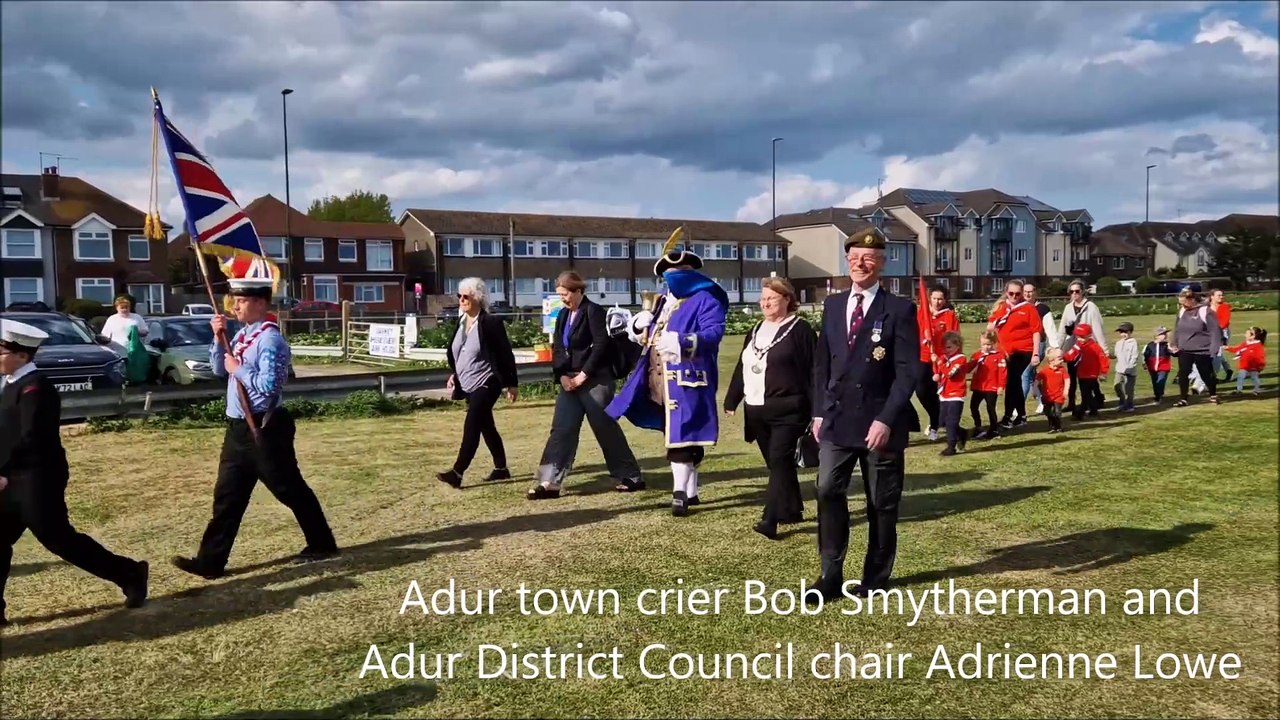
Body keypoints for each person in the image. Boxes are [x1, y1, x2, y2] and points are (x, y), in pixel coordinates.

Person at [171, 267, 339, 580]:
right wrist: (217, 340)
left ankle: (322, 541)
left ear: (261, 303)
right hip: (237, 430)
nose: (234, 306)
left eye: (241, 300)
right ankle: (210, 562)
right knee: (227, 495)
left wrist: (239, 369)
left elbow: (269, 386)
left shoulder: (271, 340)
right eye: (234, 300)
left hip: (264, 427)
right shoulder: (241, 335)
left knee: (289, 489)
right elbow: (220, 371)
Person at [1, 319, 148, 624]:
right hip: (11, 476)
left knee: (58, 539)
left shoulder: (36, 388)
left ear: (22, 355)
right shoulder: (11, 384)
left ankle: (130, 573)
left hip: (35, 478)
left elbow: (29, 437)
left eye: (0, 350)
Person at [808, 226, 920, 602]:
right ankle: (829, 574)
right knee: (826, 490)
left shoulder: (900, 309)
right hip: (837, 420)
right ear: (847, 261)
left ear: (882, 263)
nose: (861, 263)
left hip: (879, 423)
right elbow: (822, 363)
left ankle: (875, 577)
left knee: (881, 503)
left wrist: (886, 418)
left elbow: (908, 372)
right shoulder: (834, 304)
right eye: (854, 257)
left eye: (868, 258)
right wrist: (819, 412)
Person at [607, 237, 729, 517]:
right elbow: (647, 340)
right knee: (679, 435)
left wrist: (683, 342)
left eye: (679, 271)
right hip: (656, 383)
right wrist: (639, 327)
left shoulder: (705, 299)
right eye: (668, 274)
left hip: (689, 380)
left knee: (682, 439)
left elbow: (713, 334)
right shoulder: (662, 302)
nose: (673, 277)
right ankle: (692, 491)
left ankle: (679, 495)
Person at [530, 271, 642, 498]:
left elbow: (601, 346)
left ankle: (630, 475)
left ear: (578, 291)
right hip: (569, 382)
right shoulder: (562, 315)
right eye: (560, 294)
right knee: (562, 429)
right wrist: (561, 375)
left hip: (595, 381)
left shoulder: (593, 311)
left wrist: (583, 375)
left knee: (604, 427)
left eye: (566, 294)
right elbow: (559, 349)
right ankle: (548, 481)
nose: (563, 299)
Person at [724, 277, 816, 539]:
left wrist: (818, 409)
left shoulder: (800, 330)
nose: (765, 303)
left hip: (790, 409)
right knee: (779, 465)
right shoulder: (755, 330)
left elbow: (814, 372)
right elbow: (744, 367)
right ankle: (792, 508)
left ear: (787, 300)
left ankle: (770, 518)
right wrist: (732, 399)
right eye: (762, 299)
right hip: (757, 409)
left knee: (779, 460)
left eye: (771, 299)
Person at [438, 278, 519, 489]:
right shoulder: (461, 321)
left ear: (477, 298)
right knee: (486, 425)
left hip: (487, 381)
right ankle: (501, 468)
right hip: (467, 384)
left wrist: (512, 384)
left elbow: (505, 355)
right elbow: (458, 353)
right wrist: (454, 374)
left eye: (466, 296)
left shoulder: (490, 323)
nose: (461, 300)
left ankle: (457, 472)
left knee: (472, 423)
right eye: (459, 296)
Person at [986, 279, 1041, 428]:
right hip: (1005, 351)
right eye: (1011, 293)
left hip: (1024, 350)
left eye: (1018, 294)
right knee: (1014, 382)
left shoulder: (1028, 308)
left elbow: (1036, 332)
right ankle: (1021, 415)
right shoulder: (1002, 307)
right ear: (1006, 293)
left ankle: (1008, 416)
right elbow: (990, 327)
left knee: (1012, 380)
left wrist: (1036, 353)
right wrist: (997, 319)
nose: (1014, 296)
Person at [915, 286, 958, 441]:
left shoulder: (949, 316)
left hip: (940, 360)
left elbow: (954, 337)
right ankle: (937, 417)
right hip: (922, 357)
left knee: (937, 393)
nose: (937, 302)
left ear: (945, 300)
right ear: (929, 298)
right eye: (934, 298)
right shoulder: (921, 314)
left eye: (940, 299)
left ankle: (934, 425)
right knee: (920, 390)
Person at [1058, 280, 1106, 413]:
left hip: (1087, 348)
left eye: (1077, 291)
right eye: (1071, 291)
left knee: (1089, 377)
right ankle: (1072, 403)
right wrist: (1057, 347)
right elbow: (1062, 329)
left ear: (1082, 292)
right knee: (1072, 377)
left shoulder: (1091, 307)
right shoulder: (1068, 308)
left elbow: (1098, 329)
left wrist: (1103, 349)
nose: (1074, 294)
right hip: (1073, 347)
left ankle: (1097, 399)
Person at [1171, 287, 1222, 407]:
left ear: (1192, 299)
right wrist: (1174, 343)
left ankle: (1213, 394)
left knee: (1205, 374)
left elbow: (1215, 331)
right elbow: (1177, 329)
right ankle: (1183, 398)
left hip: (1202, 349)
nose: (1182, 305)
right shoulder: (1182, 311)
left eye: (1184, 302)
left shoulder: (1205, 311)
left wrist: (1214, 348)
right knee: (1183, 373)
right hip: (1184, 349)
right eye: (1181, 303)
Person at [1021, 283, 1059, 414]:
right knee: (1031, 376)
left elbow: (1050, 328)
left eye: (1030, 291)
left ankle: (1018, 408)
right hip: (1023, 346)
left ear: (1035, 292)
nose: (1027, 294)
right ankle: (1043, 401)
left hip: (1038, 346)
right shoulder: (1019, 307)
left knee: (1024, 373)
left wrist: (1055, 348)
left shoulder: (1042, 309)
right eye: (1025, 291)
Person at [932, 331, 970, 456]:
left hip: (956, 394)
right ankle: (962, 433)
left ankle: (951, 447)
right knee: (942, 422)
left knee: (951, 422)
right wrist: (937, 374)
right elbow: (942, 372)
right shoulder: (944, 358)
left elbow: (950, 373)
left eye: (949, 347)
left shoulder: (961, 359)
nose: (946, 350)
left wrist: (939, 363)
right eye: (944, 347)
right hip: (944, 394)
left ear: (957, 346)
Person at [1063, 324, 1108, 419]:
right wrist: (1062, 358)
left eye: (1082, 337)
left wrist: (1103, 372)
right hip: (1081, 373)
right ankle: (1093, 410)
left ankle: (1080, 413)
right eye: (1078, 336)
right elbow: (1071, 354)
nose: (1080, 339)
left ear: (1089, 335)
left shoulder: (1095, 347)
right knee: (1086, 393)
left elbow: (1103, 359)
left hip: (1091, 374)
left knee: (1085, 394)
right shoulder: (1078, 345)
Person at [968, 329, 1006, 440]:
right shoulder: (976, 355)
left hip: (991, 387)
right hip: (979, 386)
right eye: (984, 344)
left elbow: (1002, 372)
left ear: (994, 343)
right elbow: (969, 367)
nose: (986, 347)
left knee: (990, 408)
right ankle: (978, 426)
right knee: (973, 406)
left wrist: (1001, 386)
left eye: (989, 344)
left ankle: (994, 429)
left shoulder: (999, 356)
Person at [1036, 348, 1070, 433]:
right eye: (1059, 359)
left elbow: (1067, 380)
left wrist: (1066, 390)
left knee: (1057, 412)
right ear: (1051, 361)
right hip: (1047, 396)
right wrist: (1034, 390)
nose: (1062, 360)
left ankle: (1058, 427)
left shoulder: (1062, 370)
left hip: (1059, 395)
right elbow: (1037, 380)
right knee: (1048, 411)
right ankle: (1052, 425)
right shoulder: (1044, 371)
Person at [1225, 326, 1266, 396]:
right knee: (1240, 377)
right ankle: (1239, 390)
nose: (1245, 335)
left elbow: (1261, 357)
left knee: (1254, 378)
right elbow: (1237, 349)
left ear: (1253, 336)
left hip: (1253, 366)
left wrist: (1260, 366)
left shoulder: (1258, 346)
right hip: (1244, 366)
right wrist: (1227, 348)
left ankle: (1257, 389)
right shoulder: (1245, 343)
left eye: (1247, 334)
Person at [1112, 322, 1139, 412]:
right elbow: (1116, 354)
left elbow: (1134, 356)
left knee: (1128, 389)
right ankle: (1122, 403)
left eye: (1125, 332)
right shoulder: (1118, 343)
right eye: (1121, 332)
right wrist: (1109, 355)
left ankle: (1129, 405)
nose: (1123, 334)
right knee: (1117, 386)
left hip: (1130, 371)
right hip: (1119, 369)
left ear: (1130, 332)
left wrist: (1129, 367)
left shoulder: (1133, 343)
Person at [1143, 327, 1173, 404]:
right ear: (1156, 336)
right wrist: (1144, 363)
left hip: (1163, 367)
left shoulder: (1166, 345)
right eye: (1163, 334)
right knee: (1155, 382)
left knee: (1161, 381)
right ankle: (1157, 396)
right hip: (1152, 367)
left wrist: (1171, 349)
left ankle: (1160, 396)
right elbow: (1145, 355)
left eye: (1165, 334)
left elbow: (1173, 353)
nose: (1165, 335)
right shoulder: (1149, 345)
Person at [1209, 289, 1233, 382]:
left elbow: (1225, 321)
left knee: (1217, 351)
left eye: (1222, 295)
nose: (1221, 297)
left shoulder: (1225, 306)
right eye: (1219, 295)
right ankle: (1228, 371)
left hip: (1222, 332)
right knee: (1217, 353)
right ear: (1212, 296)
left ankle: (1212, 376)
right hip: (1209, 332)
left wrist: (1216, 329)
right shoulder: (1207, 306)